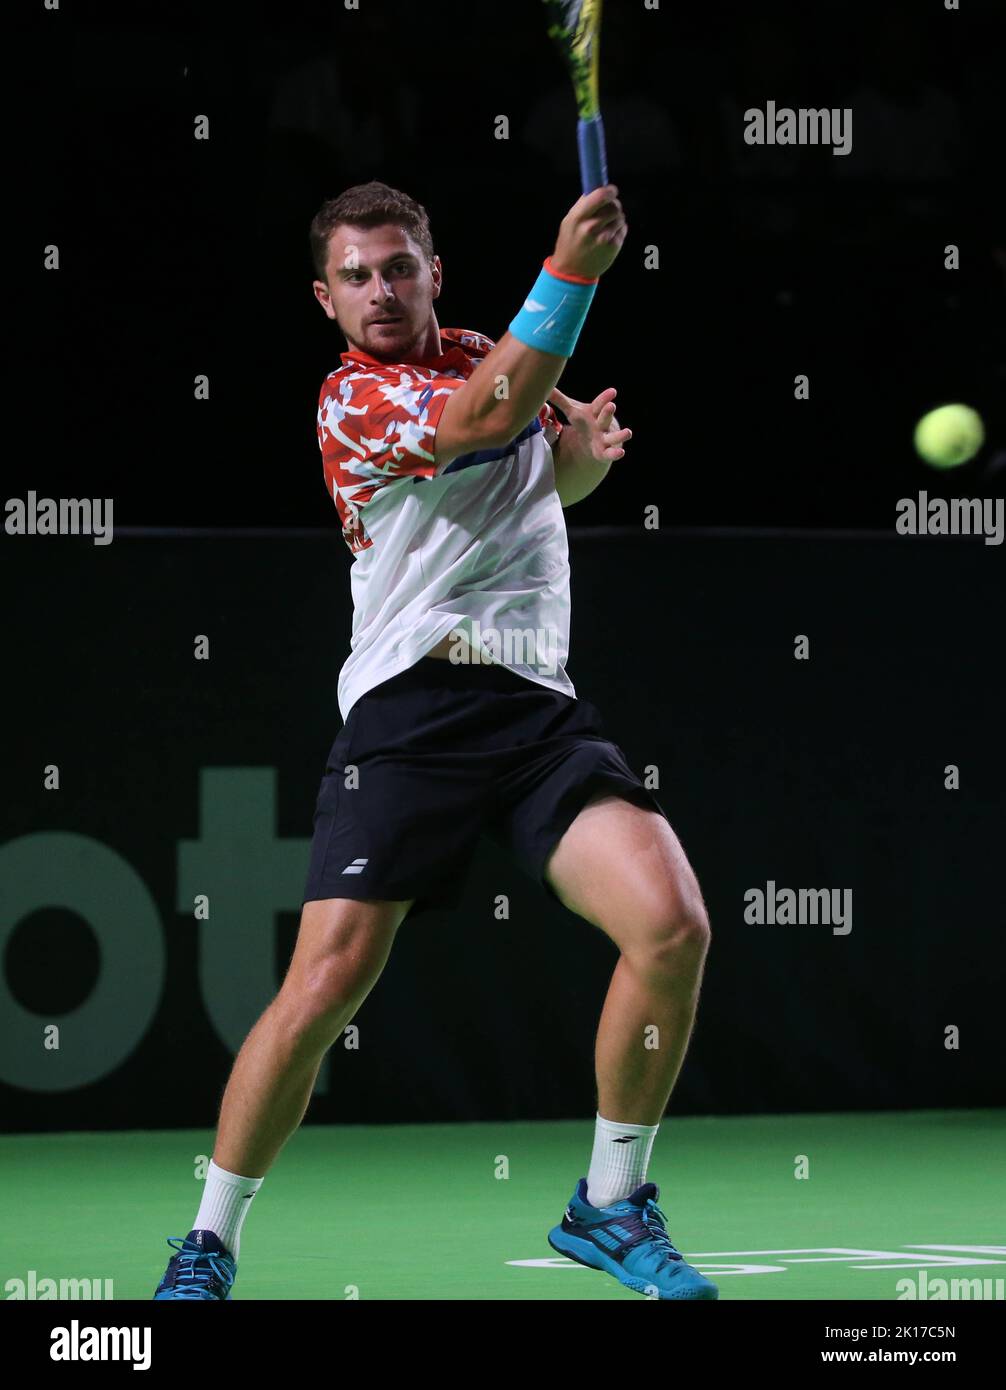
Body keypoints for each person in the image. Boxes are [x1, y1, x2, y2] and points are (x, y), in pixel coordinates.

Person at [153, 180, 716, 1302]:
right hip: (410, 714)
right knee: (325, 983)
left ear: (433, 271)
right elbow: (480, 425)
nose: (379, 290)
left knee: (672, 925)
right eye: (355, 275)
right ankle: (208, 1242)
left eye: (398, 265)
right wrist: (573, 271)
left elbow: (530, 468)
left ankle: (609, 1202)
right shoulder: (352, 401)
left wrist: (586, 460)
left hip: (537, 708)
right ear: (325, 297)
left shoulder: (482, 351)